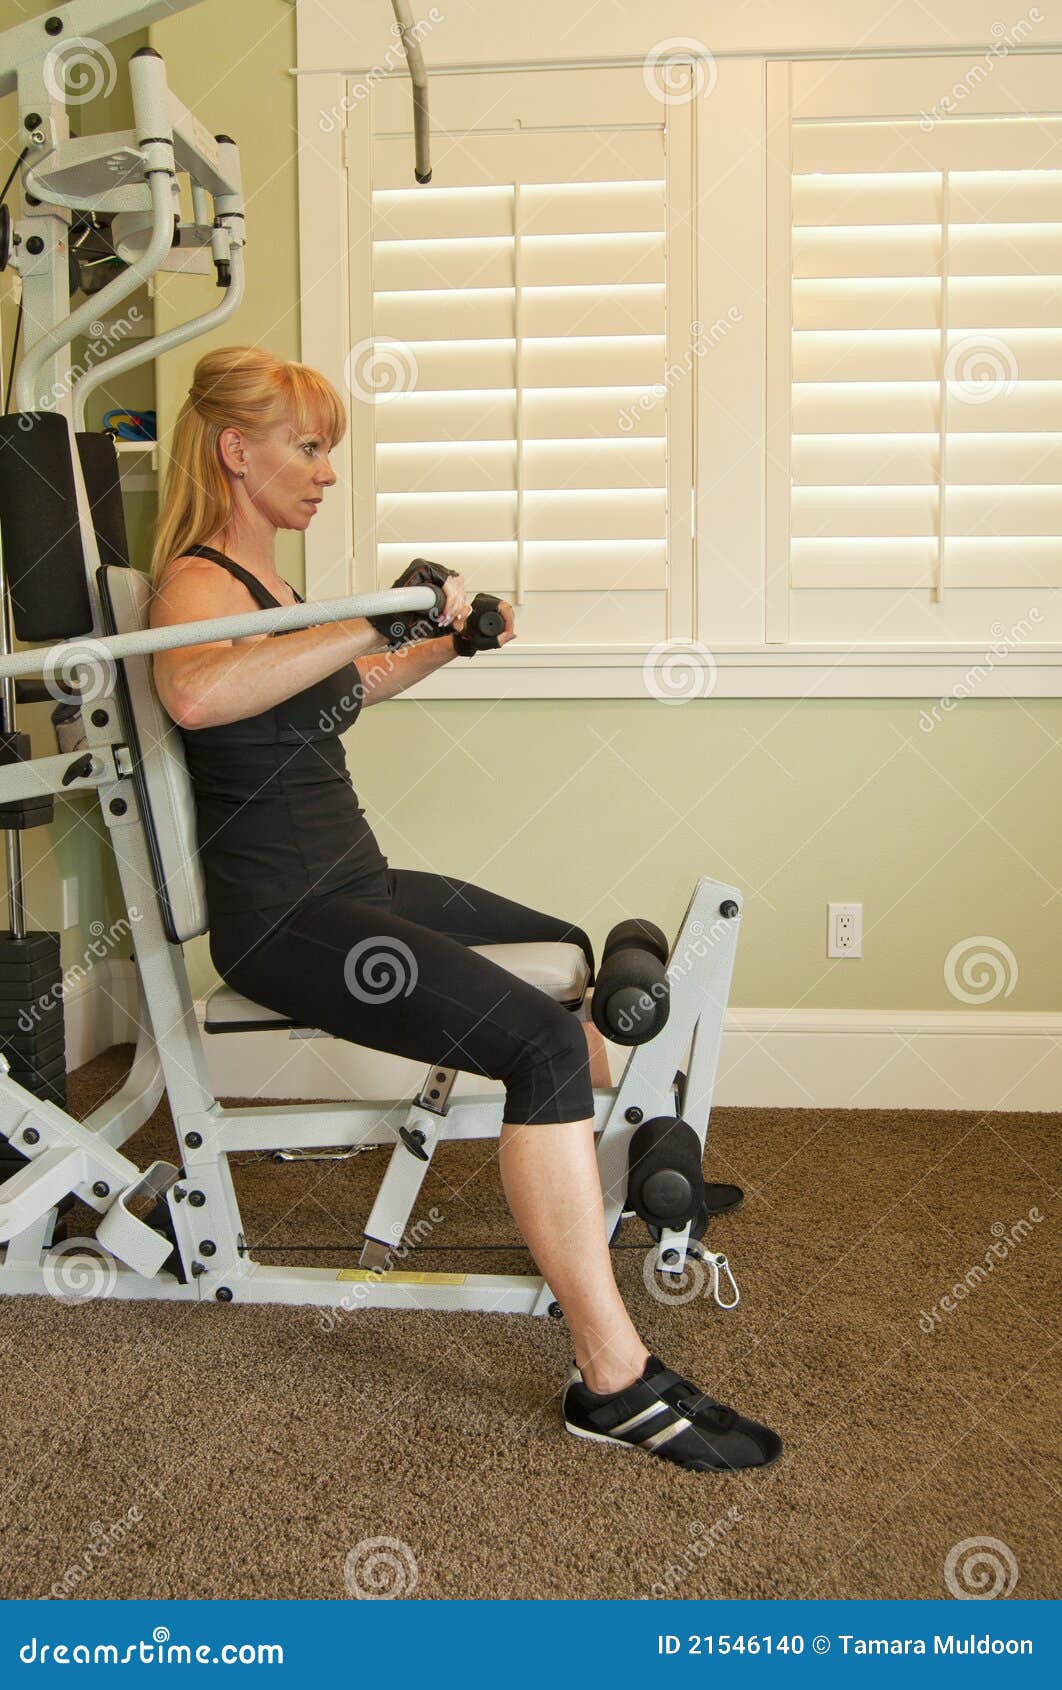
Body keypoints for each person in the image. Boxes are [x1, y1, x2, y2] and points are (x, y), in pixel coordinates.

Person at [149, 345, 782, 1474]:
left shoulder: (275, 594)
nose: (326, 473)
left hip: (354, 881)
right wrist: (368, 615)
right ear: (237, 453)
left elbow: (338, 684)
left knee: (574, 954)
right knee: (538, 1041)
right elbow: (196, 693)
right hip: (288, 919)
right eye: (309, 448)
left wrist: (443, 639)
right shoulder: (197, 583)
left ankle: (612, 1172)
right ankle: (612, 1377)